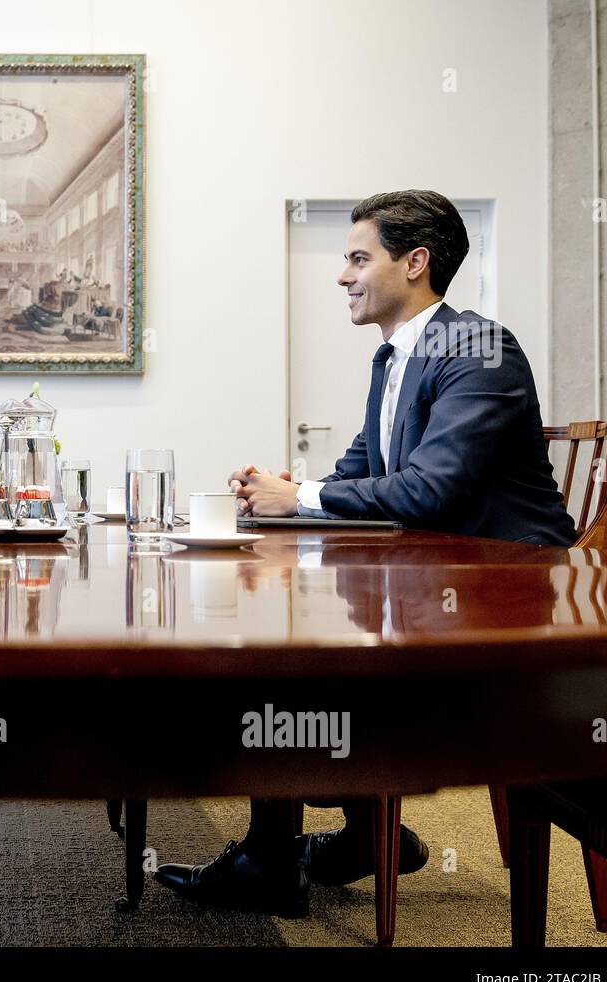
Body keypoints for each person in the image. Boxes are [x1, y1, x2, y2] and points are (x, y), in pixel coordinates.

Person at [152, 189, 576, 918]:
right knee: (290, 647)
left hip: (503, 608)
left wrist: (303, 498)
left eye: (357, 257)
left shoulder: (477, 347)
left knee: (292, 672)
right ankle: (348, 836)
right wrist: (284, 490)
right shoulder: (394, 359)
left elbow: (431, 491)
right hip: (436, 594)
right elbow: (358, 475)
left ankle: (284, 856)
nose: (342, 276)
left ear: (416, 263)